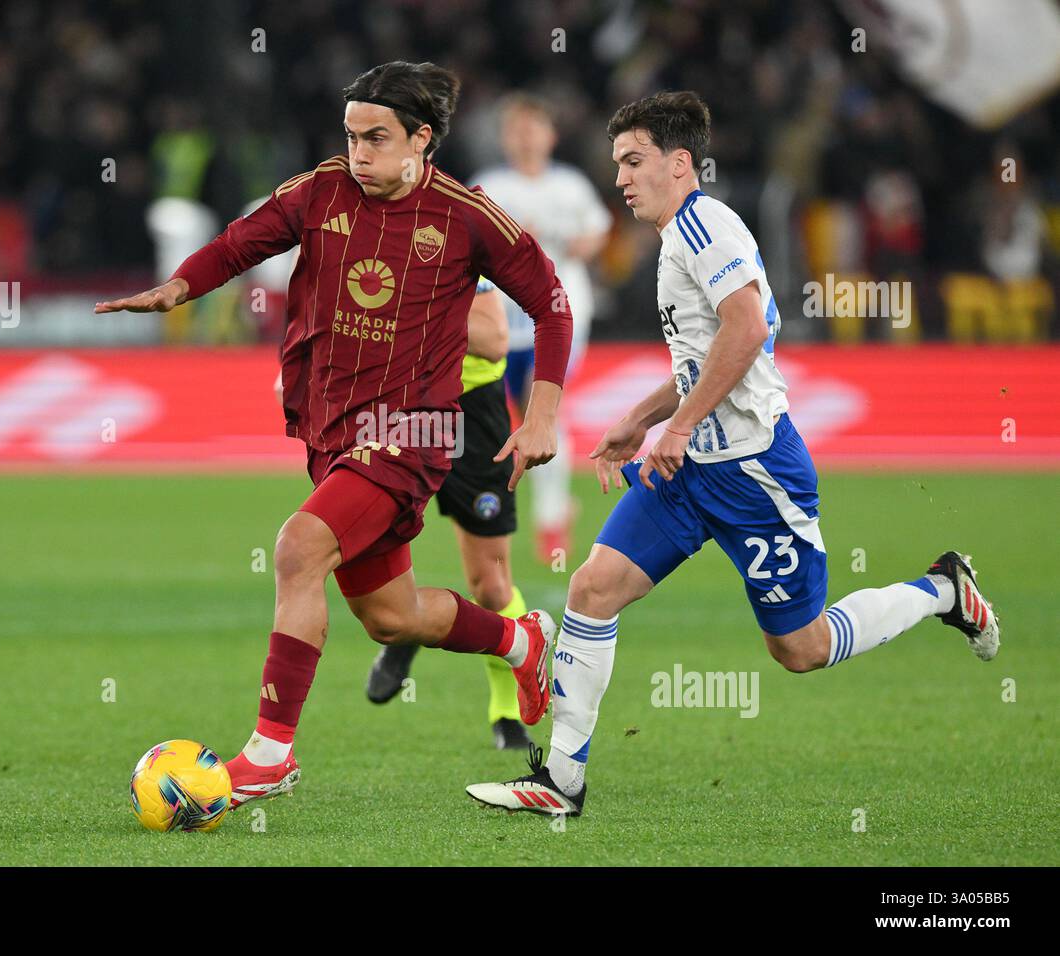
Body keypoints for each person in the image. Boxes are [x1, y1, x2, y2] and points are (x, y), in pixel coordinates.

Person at [465, 91, 1000, 816]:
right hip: (688, 476)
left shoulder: (706, 225)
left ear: (679, 163)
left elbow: (748, 329)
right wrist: (642, 419)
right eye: (617, 161)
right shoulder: (680, 236)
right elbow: (706, 352)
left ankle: (944, 589)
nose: (619, 177)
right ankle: (561, 780)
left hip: (754, 473)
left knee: (801, 649)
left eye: (634, 160)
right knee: (592, 590)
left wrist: (677, 427)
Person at [96, 61, 573, 808]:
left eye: (376, 138)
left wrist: (541, 411)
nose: (359, 154)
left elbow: (551, 304)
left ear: (422, 138)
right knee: (392, 619)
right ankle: (523, 641)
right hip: (333, 431)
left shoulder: (467, 215)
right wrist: (180, 286)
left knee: (298, 547)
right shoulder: (321, 191)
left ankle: (271, 754)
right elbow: (237, 244)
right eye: (351, 137)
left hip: (412, 430)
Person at [365, 278, 533, 751]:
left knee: (492, 587)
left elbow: (494, 341)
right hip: (399, 408)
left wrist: (413, 302)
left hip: (471, 414)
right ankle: (405, 627)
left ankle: (506, 713)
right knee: (359, 548)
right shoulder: (363, 232)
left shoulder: (455, 227)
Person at [473, 94, 611, 561]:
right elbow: (469, 241)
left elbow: (597, 232)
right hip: (501, 320)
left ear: (550, 135)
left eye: (534, 128)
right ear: (505, 137)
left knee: (543, 407)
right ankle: (540, 508)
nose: (526, 137)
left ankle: (550, 520)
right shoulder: (488, 185)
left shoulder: (570, 186)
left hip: (558, 312)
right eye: (517, 129)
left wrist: (569, 242)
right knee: (516, 415)